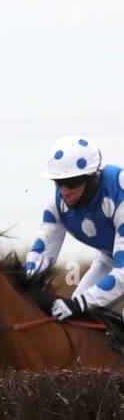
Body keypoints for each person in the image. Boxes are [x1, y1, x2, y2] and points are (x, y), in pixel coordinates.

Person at [24, 136, 124, 320]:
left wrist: (81, 303)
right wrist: (22, 283)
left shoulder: (120, 195)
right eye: (58, 183)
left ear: (94, 177)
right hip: (110, 259)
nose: (64, 191)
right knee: (75, 318)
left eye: (72, 183)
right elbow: (41, 254)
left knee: (82, 304)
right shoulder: (57, 203)